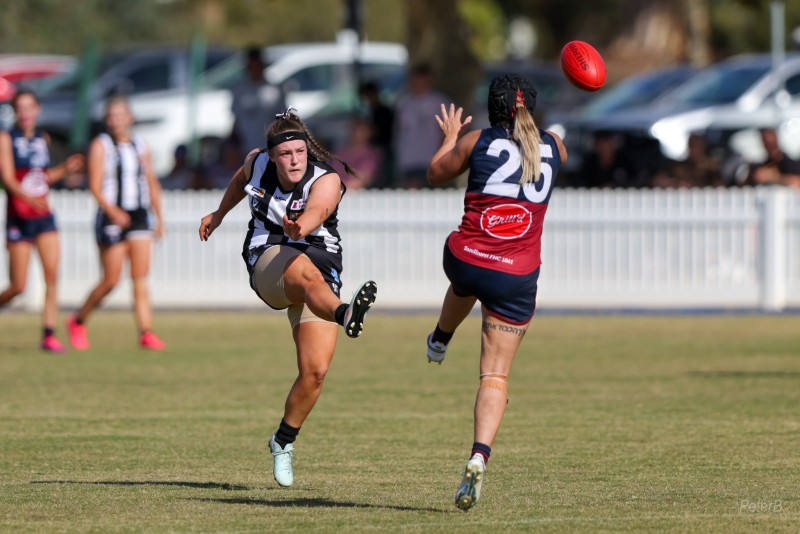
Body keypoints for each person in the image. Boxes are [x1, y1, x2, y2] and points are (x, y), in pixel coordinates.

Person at [198, 108, 377, 488]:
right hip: (269, 258)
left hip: (318, 260)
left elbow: (318, 209)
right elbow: (238, 180)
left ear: (307, 151)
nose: (294, 160)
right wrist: (218, 214)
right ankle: (344, 313)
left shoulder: (326, 179)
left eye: (299, 152)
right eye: (285, 154)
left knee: (315, 373)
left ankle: (282, 441)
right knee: (302, 270)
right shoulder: (256, 162)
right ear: (272, 155)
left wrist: (303, 225)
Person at [424, 75, 567, 511]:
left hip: (466, 259)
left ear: (492, 108)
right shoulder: (557, 147)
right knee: (495, 376)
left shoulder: (475, 141)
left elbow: (434, 174)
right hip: (516, 277)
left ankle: (440, 339)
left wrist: (449, 137)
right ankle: (478, 457)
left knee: (467, 276)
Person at [66, 97, 166, 351]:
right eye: (111, 116)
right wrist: (113, 211)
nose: (116, 121)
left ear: (130, 118)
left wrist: (159, 218)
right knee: (111, 280)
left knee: (140, 278)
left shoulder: (141, 146)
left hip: (139, 216)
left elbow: (151, 182)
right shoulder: (101, 146)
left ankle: (145, 332)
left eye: (120, 115)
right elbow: (95, 185)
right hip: (112, 217)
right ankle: (78, 320)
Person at [0, 89, 84, 352]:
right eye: (20, 108)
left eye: (30, 107)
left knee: (51, 277)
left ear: (37, 110)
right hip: (20, 217)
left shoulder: (42, 138)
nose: (25, 113)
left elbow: (43, 177)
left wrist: (66, 170)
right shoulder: (6, 138)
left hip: (44, 217)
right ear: (16, 112)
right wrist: (30, 199)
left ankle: (49, 335)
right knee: (18, 286)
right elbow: (8, 179)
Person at [394, 63, 446, 189]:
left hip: (430, 160)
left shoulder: (439, 102)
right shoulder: (404, 103)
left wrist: (444, 150)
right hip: (408, 161)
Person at [230, 46, 286, 156]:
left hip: (269, 147)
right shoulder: (239, 90)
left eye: (257, 65)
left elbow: (283, 119)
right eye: (252, 66)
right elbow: (236, 120)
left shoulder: (274, 90)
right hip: (246, 149)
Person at [652, 133, 724, 188]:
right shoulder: (677, 166)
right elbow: (657, 181)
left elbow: (720, 184)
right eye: (692, 146)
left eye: (698, 147)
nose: (694, 151)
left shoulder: (711, 165)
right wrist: (676, 183)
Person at [329, 117, 382, 190]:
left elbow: (361, 181)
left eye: (362, 131)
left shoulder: (371, 155)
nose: (358, 134)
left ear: (369, 133)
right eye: (355, 129)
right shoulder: (339, 153)